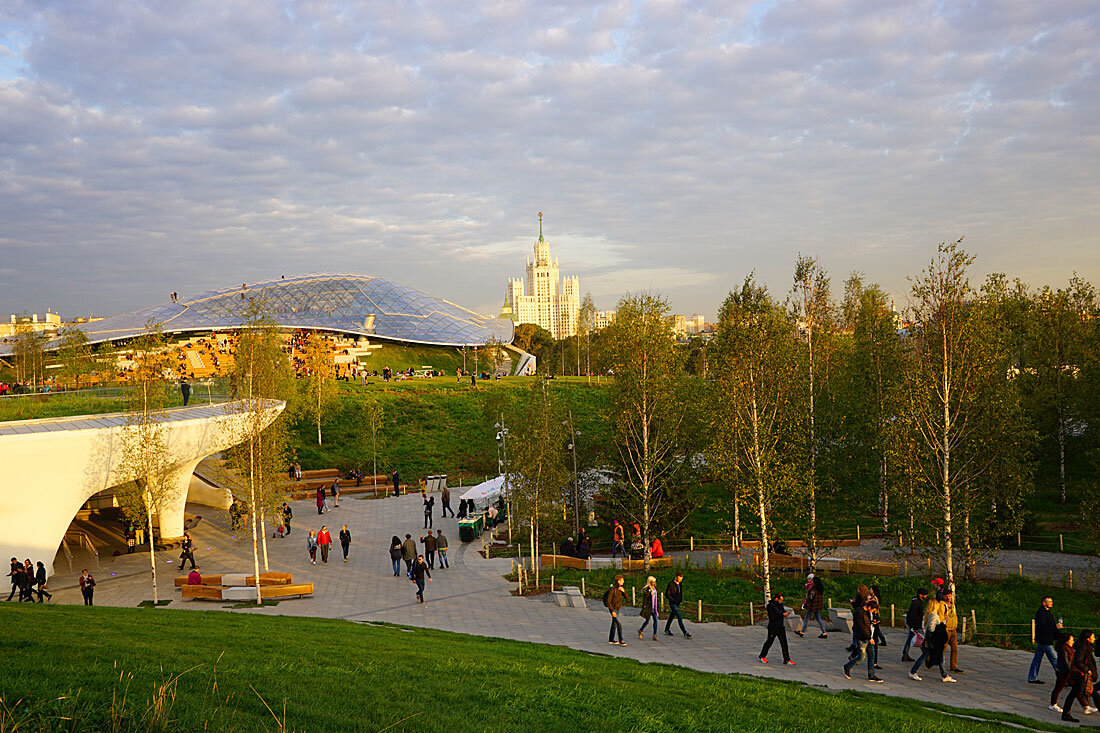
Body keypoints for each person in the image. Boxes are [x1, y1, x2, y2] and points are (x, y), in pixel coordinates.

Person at [909, 594, 955, 683]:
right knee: (929, 656)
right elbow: (931, 628)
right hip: (932, 641)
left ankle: (944, 674)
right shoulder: (934, 616)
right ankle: (913, 671)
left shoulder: (928, 614)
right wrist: (941, 625)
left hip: (929, 640)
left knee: (938, 656)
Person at [1062, 629, 1099, 722]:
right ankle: (1065, 714)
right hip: (1082, 675)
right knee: (1085, 693)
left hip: (1083, 675)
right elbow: (1078, 661)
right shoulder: (1082, 648)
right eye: (1093, 637)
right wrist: (1088, 670)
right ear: (1088, 638)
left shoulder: (1086, 647)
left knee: (1075, 693)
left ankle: (1066, 713)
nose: (1094, 638)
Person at [843, 599, 881, 681]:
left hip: (868, 636)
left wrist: (872, 622)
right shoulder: (859, 613)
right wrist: (869, 638)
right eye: (873, 610)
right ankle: (847, 666)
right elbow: (861, 627)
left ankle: (871, 675)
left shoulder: (867, 612)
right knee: (861, 657)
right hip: (862, 638)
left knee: (872, 655)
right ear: (869, 607)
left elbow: (866, 624)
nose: (873, 612)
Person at [1028, 595, 1062, 683]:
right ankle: (1064, 678)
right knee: (1055, 659)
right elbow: (1043, 628)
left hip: (1043, 640)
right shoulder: (1041, 613)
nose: (1051, 603)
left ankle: (1032, 678)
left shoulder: (1047, 612)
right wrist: (1056, 627)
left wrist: (1058, 633)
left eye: (1051, 601)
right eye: (1049, 602)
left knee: (1037, 659)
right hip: (1045, 640)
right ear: (1044, 603)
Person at [760, 592, 794, 665]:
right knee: (769, 641)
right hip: (773, 627)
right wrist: (782, 614)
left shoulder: (780, 604)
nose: (781, 602)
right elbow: (773, 616)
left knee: (784, 643)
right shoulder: (770, 606)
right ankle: (762, 655)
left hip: (780, 626)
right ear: (776, 598)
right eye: (780, 600)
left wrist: (785, 613)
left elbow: (782, 611)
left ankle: (787, 659)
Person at [1050, 632, 1076, 713]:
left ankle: (1085, 706)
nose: (1073, 642)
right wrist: (1071, 673)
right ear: (1066, 641)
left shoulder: (1068, 649)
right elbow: (1066, 664)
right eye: (1071, 640)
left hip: (1066, 672)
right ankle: (1053, 704)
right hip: (1063, 672)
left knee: (1077, 688)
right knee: (1058, 688)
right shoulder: (1064, 650)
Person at [901, 588, 928, 662]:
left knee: (910, 639)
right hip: (916, 625)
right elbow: (914, 615)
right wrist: (915, 626)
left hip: (913, 624)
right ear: (920, 595)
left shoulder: (915, 601)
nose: (926, 596)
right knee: (922, 639)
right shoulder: (917, 603)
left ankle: (905, 654)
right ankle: (926, 655)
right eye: (925, 595)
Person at [663, 572, 692, 638]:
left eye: (681, 579)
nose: (680, 580)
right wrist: (673, 599)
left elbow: (680, 592)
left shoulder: (680, 583)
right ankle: (685, 632)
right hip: (673, 603)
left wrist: (680, 599)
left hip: (677, 603)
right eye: (679, 579)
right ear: (676, 577)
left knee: (672, 616)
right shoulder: (671, 584)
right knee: (679, 617)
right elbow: (667, 594)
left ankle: (666, 629)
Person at [942, 590, 961, 673]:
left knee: (954, 648)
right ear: (943, 596)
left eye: (950, 596)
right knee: (942, 648)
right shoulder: (942, 605)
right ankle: (933, 662)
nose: (948, 597)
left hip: (953, 629)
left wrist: (956, 625)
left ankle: (954, 666)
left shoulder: (953, 605)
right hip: (946, 630)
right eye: (946, 596)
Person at [604, 575, 627, 646]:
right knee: (619, 624)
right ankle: (621, 640)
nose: (623, 581)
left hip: (617, 609)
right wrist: (612, 611)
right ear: (618, 581)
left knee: (614, 624)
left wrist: (624, 592)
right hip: (613, 609)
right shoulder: (612, 589)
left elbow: (627, 597)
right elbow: (608, 601)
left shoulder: (620, 589)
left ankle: (611, 639)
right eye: (622, 580)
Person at [638, 576, 660, 640]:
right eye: (652, 582)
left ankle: (655, 634)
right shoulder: (647, 589)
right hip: (649, 607)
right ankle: (641, 630)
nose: (654, 583)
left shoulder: (655, 588)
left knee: (655, 620)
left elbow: (656, 598)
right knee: (647, 621)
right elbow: (645, 599)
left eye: (654, 582)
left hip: (654, 607)